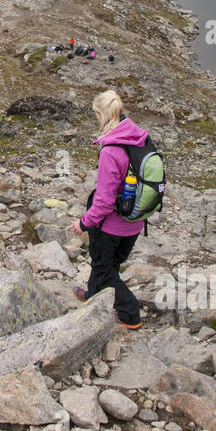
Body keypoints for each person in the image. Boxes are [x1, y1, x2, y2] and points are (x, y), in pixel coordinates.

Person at [67, 89, 148, 329]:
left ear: (101, 115)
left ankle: (129, 313)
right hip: (134, 222)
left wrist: (83, 223)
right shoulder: (140, 138)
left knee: (105, 270)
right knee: (106, 265)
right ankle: (93, 296)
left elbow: (103, 200)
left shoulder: (111, 150)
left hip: (111, 226)